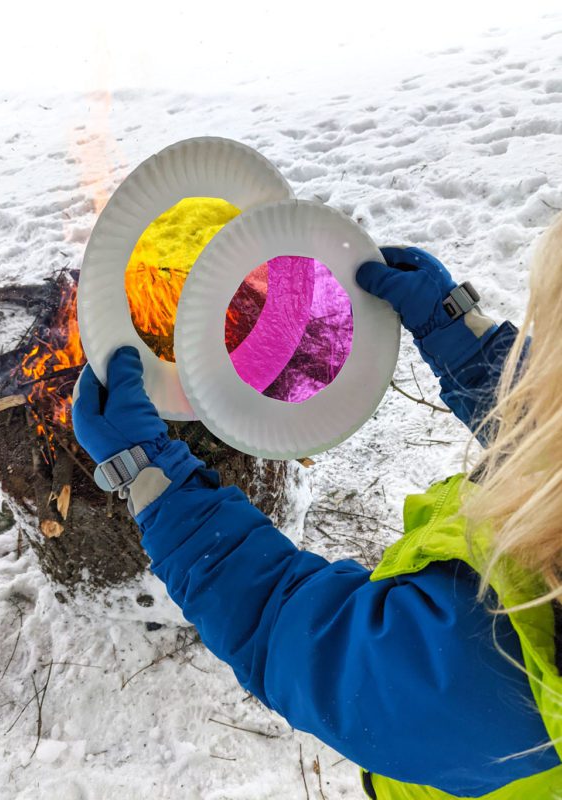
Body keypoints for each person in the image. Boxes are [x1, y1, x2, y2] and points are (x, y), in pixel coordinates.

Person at [72, 216, 562, 799]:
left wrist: (151, 474)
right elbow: (550, 440)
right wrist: (468, 343)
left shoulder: (497, 665)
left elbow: (280, 624)